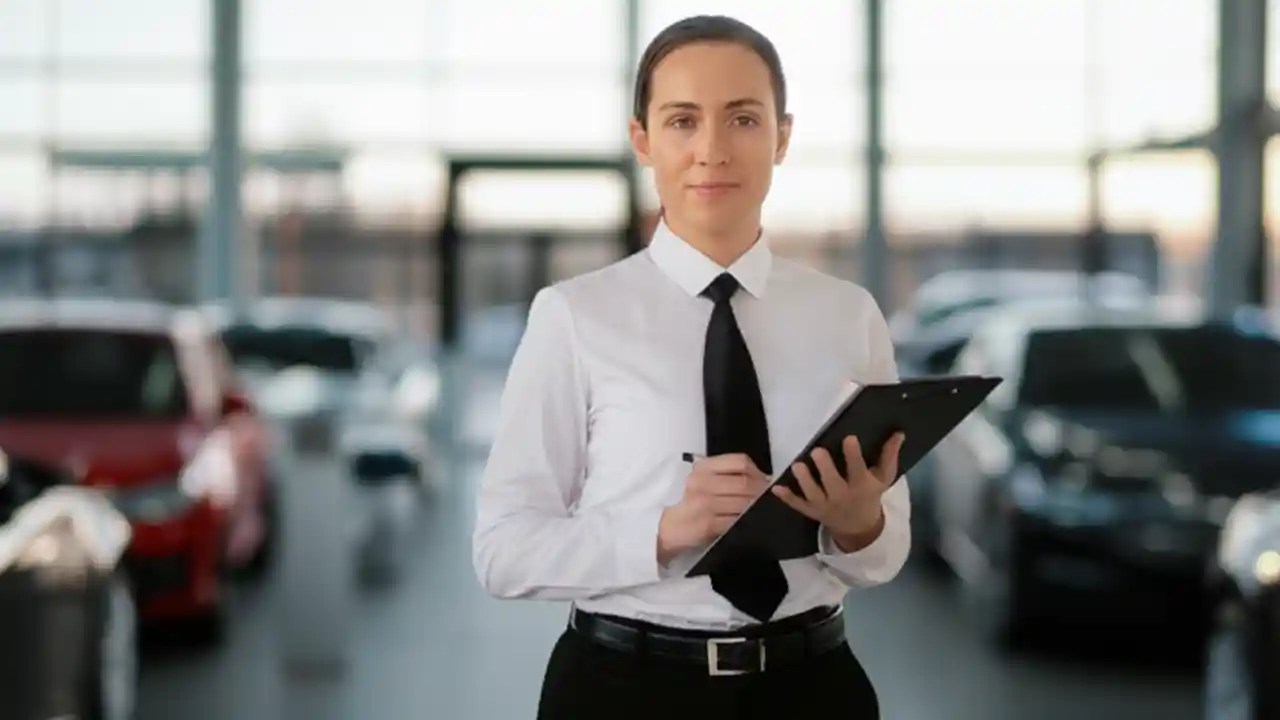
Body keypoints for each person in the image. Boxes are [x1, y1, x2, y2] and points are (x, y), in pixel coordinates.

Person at [472, 14, 910, 720]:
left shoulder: (848, 315)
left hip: (813, 687)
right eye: (682, 121)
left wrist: (859, 526)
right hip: (622, 691)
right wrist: (662, 530)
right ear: (642, 140)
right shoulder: (574, 318)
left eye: (742, 119)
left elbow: (885, 554)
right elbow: (503, 551)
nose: (712, 151)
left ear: (782, 137)